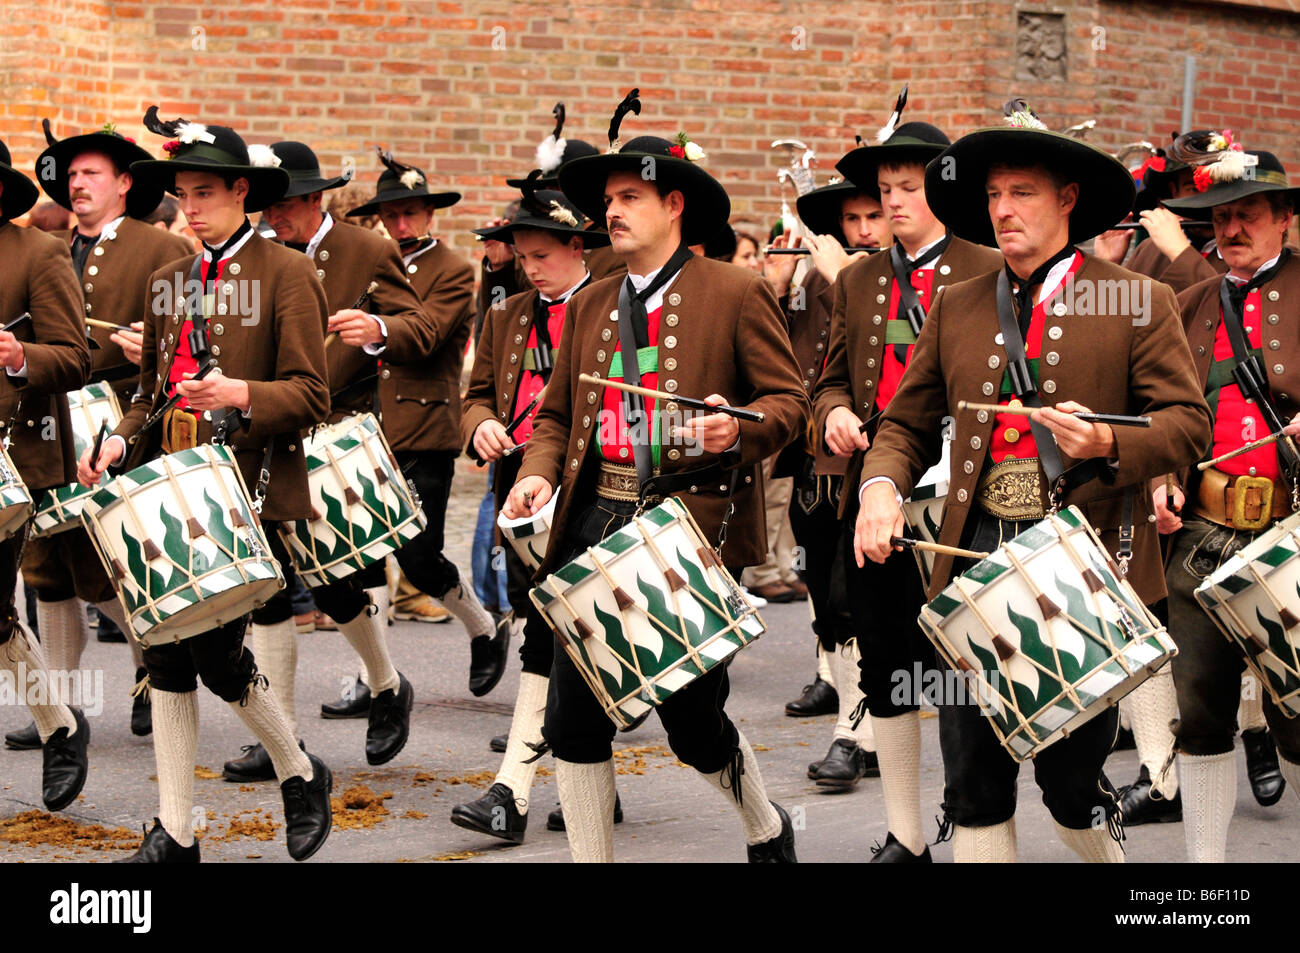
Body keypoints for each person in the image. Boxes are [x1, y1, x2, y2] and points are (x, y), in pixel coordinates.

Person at [855, 99, 1211, 863]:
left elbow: (1187, 423)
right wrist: (879, 486)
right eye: (992, 195)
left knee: (1069, 785)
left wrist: (1109, 439)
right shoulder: (958, 305)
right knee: (974, 783)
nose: (1003, 209)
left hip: (1083, 568)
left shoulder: (1134, 297)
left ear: (1067, 200)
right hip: (972, 562)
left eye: (1021, 193)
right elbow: (905, 425)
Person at [503, 93, 808, 862]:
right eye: (607, 200)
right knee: (574, 724)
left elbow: (789, 404)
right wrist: (537, 475)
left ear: (673, 204)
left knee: (695, 728)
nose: (612, 212)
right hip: (587, 527)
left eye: (629, 197)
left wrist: (735, 425)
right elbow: (555, 418)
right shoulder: (592, 301)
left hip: (685, 540)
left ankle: (767, 826)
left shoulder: (734, 292)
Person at [79, 110, 333, 862]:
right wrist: (123, 435)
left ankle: (298, 768)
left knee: (219, 659)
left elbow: (311, 395)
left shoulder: (288, 271)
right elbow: (151, 392)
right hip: (170, 487)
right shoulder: (170, 280)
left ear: (241, 193)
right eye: (182, 193)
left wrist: (240, 394)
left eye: (204, 191)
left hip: (247, 491)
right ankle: (176, 831)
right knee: (163, 652)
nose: (189, 206)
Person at [811, 99, 1005, 843]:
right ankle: (906, 835)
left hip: (962, 503)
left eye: (908, 184)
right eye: (885, 186)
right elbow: (826, 379)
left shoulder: (988, 268)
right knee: (887, 666)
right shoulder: (859, 281)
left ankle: (975, 807)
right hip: (875, 498)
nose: (892, 199)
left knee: (961, 669)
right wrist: (829, 412)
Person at [219, 140, 430, 780]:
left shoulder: (366, 249)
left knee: (337, 583)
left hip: (337, 433)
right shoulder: (256, 258)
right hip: (264, 433)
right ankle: (280, 738)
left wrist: (381, 331)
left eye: (282, 205)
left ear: (316, 199)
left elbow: (421, 326)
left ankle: (387, 682)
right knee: (271, 583)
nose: (271, 216)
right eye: (265, 205)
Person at [9, 120, 192, 751]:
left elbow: (195, 343)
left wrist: (156, 351)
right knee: (42, 566)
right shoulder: (45, 241)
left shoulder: (158, 250)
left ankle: (152, 662)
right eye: (72, 176)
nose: (77, 185)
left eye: (91, 174)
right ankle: (58, 709)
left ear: (124, 182)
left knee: (98, 565)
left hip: (119, 422)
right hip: (44, 417)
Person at [451, 177, 622, 844]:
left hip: (584, 492)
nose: (529, 269)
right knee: (548, 627)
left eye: (541, 256)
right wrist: (481, 424)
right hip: (516, 487)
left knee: (556, 633)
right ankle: (593, 787)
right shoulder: (506, 316)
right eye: (521, 257)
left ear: (578, 248)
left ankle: (510, 792)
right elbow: (475, 396)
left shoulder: (610, 309)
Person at [1155, 133, 1300, 862]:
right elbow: (1163, 416)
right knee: (1200, 710)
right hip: (1202, 534)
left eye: (1248, 213)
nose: (1232, 229)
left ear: (1283, 219)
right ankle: (1206, 879)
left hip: (1291, 532)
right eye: (1219, 216)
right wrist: (1160, 481)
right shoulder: (1185, 304)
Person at [774, 164, 894, 723]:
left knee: (857, 591)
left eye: (875, 216)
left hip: (874, 454)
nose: (865, 228)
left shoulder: (886, 279)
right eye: (853, 219)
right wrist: (777, 288)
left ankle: (866, 712)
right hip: (812, 447)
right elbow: (781, 352)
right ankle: (829, 673)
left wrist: (844, 273)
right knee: (818, 573)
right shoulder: (819, 274)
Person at [0, 136, 93, 813]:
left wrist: (15, 354)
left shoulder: (39, 251)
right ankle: (60, 723)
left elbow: (73, 356)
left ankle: (59, 724)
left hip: (13, 458)